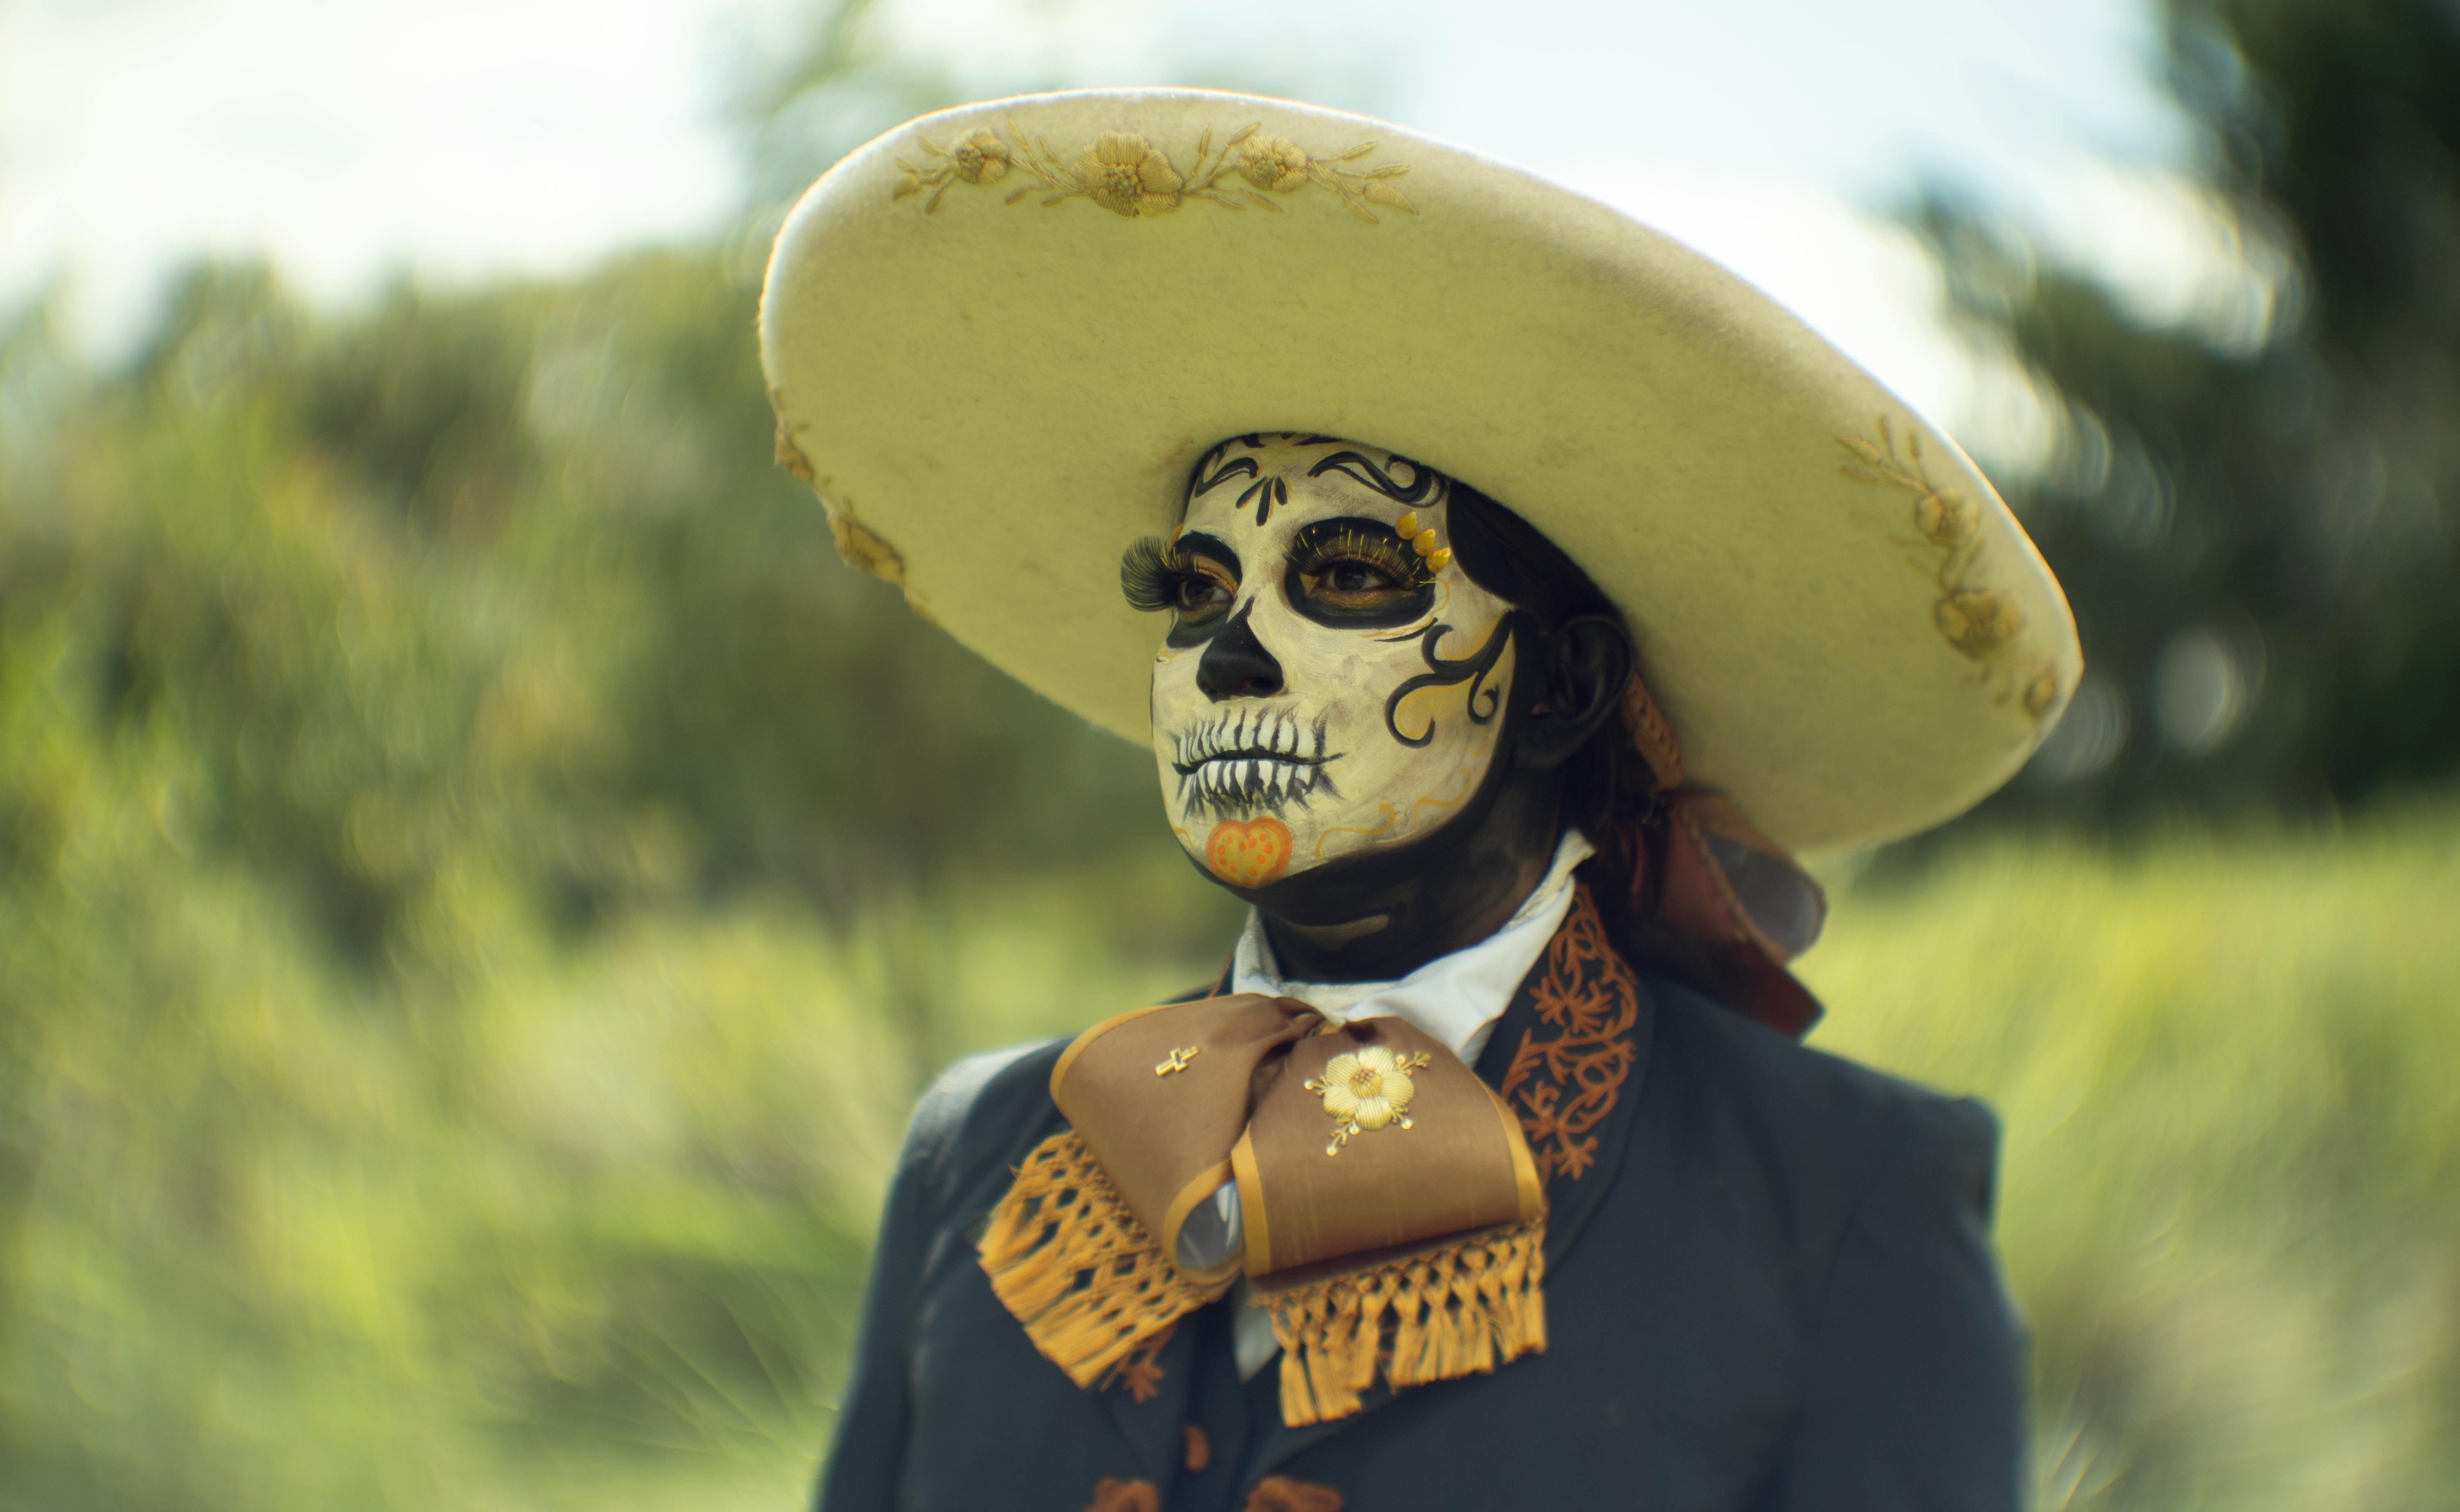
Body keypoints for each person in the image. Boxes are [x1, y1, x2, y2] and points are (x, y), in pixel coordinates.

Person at [760, 88, 2078, 1512]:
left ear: (1562, 683)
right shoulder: (992, 1150)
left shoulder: (1841, 1200)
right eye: (1196, 591)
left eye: (1345, 577)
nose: (1228, 655)